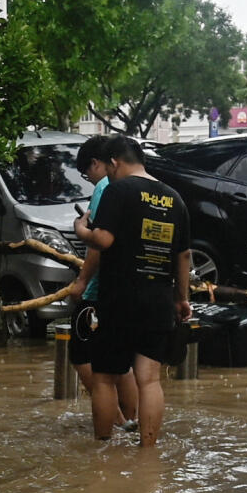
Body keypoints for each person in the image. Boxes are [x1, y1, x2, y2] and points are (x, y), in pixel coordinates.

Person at [78, 137, 192, 444]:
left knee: (104, 378)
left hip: (118, 299)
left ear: (114, 162)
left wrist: (81, 230)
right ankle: (148, 451)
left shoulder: (118, 191)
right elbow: (184, 255)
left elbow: (103, 240)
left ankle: (102, 450)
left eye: (108, 169)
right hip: (158, 301)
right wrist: (182, 299)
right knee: (149, 380)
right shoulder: (174, 198)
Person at [67, 140, 138, 429]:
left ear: (98, 163)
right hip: (130, 289)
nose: (91, 179)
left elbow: (98, 243)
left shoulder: (104, 188)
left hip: (99, 291)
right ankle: (132, 420)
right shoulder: (137, 189)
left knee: (82, 356)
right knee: (122, 362)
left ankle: (117, 423)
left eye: (87, 173)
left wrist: (81, 281)